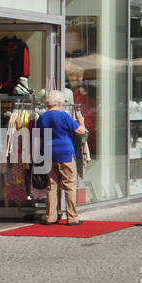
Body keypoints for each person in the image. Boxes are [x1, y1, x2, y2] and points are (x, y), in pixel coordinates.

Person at [36, 90, 87, 226]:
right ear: (59, 103)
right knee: (70, 185)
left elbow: (39, 138)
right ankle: (72, 217)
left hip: (49, 154)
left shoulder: (41, 118)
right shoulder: (63, 116)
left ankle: (50, 216)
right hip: (65, 154)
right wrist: (81, 121)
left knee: (52, 186)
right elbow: (81, 131)